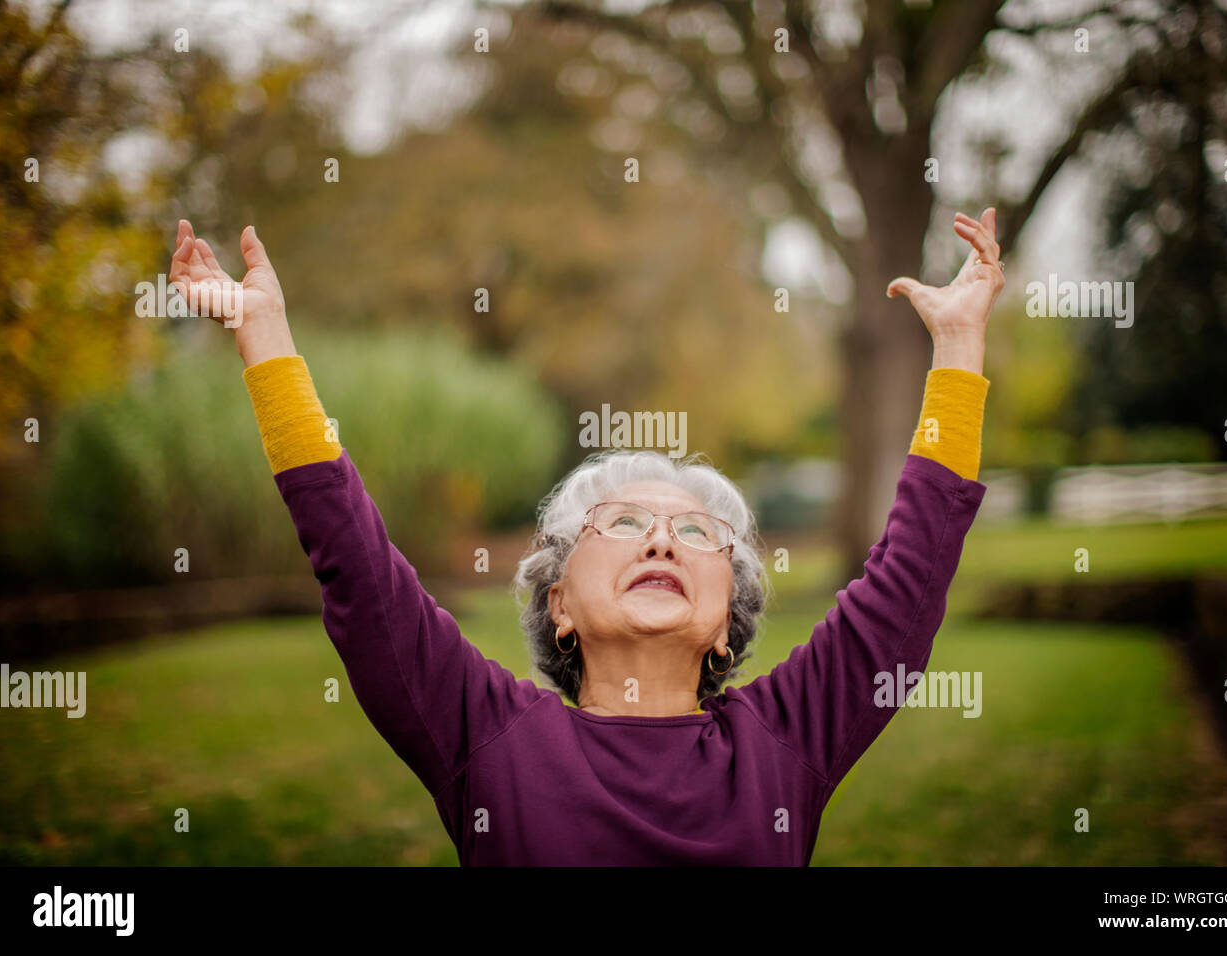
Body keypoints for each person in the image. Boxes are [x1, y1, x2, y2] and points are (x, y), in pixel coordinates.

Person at [167, 208, 1004, 865]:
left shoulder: (785, 741)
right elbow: (354, 561)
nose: (663, 542)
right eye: (627, 523)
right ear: (558, 600)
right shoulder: (486, 736)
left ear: (726, 623)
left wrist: (961, 344)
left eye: (698, 534)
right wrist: (265, 337)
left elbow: (908, 585)